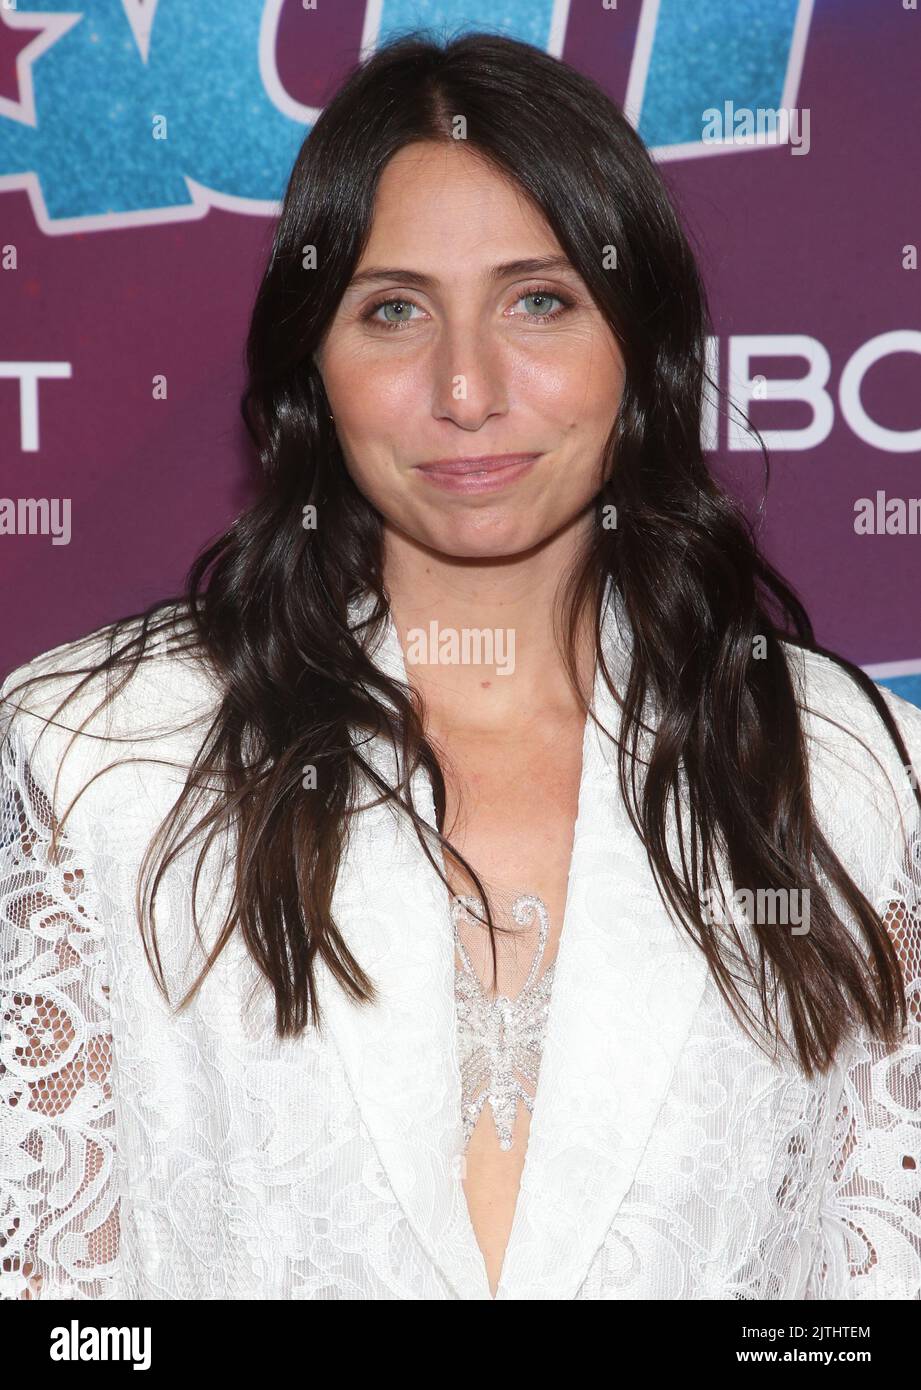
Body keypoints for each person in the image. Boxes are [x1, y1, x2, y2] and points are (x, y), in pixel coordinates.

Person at [1, 32, 919, 1303]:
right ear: (313, 367)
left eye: (538, 300)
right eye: (393, 311)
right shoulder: (101, 754)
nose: (467, 387)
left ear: (639, 347)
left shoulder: (846, 776)